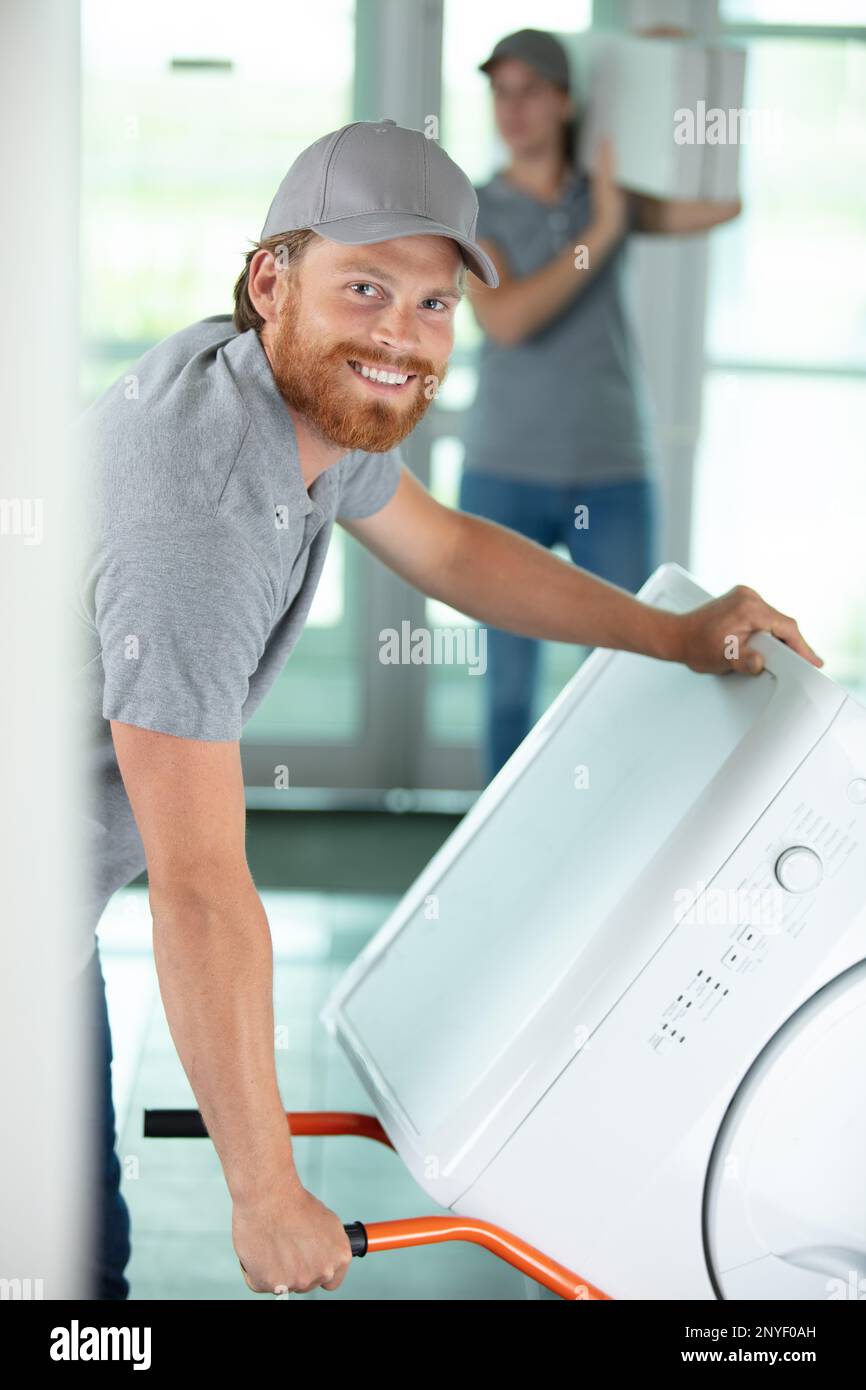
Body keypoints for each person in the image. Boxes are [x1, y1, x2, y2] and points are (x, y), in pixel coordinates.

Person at [72, 117, 819, 1299]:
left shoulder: (308, 397)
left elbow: (453, 551)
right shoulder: (200, 517)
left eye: (432, 305)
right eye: (365, 287)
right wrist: (264, 1191)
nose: (401, 337)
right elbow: (203, 890)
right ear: (272, 279)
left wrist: (669, 632)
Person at [460, 28, 743, 779]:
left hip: (612, 472)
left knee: (621, 677)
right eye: (502, 90)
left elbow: (723, 201)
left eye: (531, 90)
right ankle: (506, 860)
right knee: (508, 694)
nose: (513, 108)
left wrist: (666, 70)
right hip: (504, 471)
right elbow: (509, 318)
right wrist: (603, 231)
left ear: (566, 101)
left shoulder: (607, 193)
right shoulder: (476, 211)